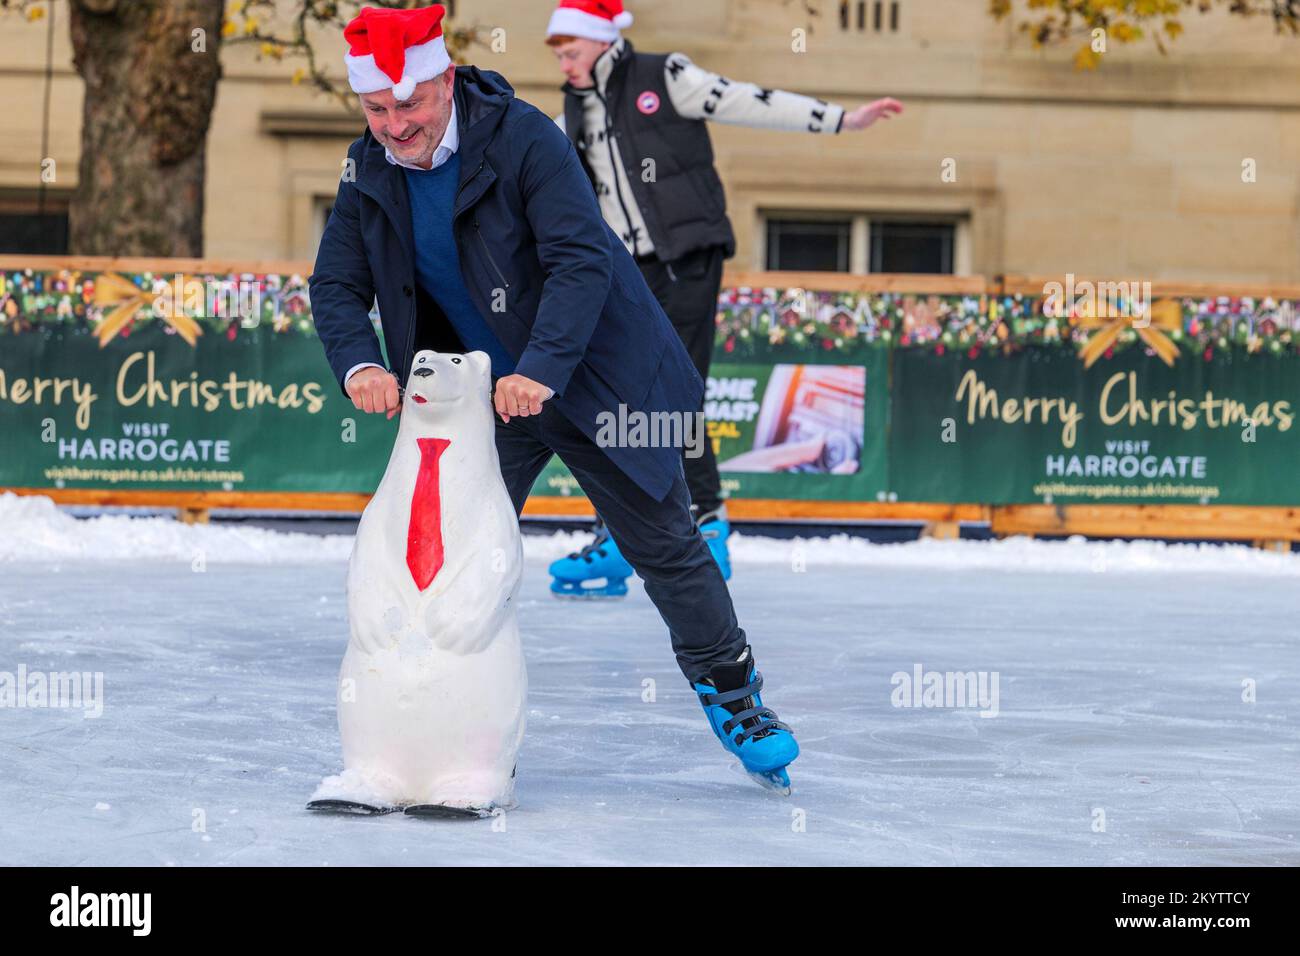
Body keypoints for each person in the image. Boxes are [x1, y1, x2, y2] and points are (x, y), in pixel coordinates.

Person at [309, 4, 798, 791]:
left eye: (410, 105)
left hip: (595, 374)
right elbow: (336, 282)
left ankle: (734, 695)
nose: (395, 126)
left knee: (665, 541)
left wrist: (540, 367)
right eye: (376, 109)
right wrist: (359, 363)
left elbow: (579, 260)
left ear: (444, 81)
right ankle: (442, 727)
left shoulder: (524, 137)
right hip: (481, 396)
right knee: (440, 556)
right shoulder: (367, 167)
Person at [543, 0, 903, 594]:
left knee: (674, 387)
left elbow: (749, 100)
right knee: (619, 393)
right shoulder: (573, 110)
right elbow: (540, 175)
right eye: (557, 54)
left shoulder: (666, 76)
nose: (564, 62)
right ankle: (618, 534)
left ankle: (706, 522)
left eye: (571, 51)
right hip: (625, 272)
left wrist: (842, 119)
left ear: (602, 41)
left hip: (687, 259)